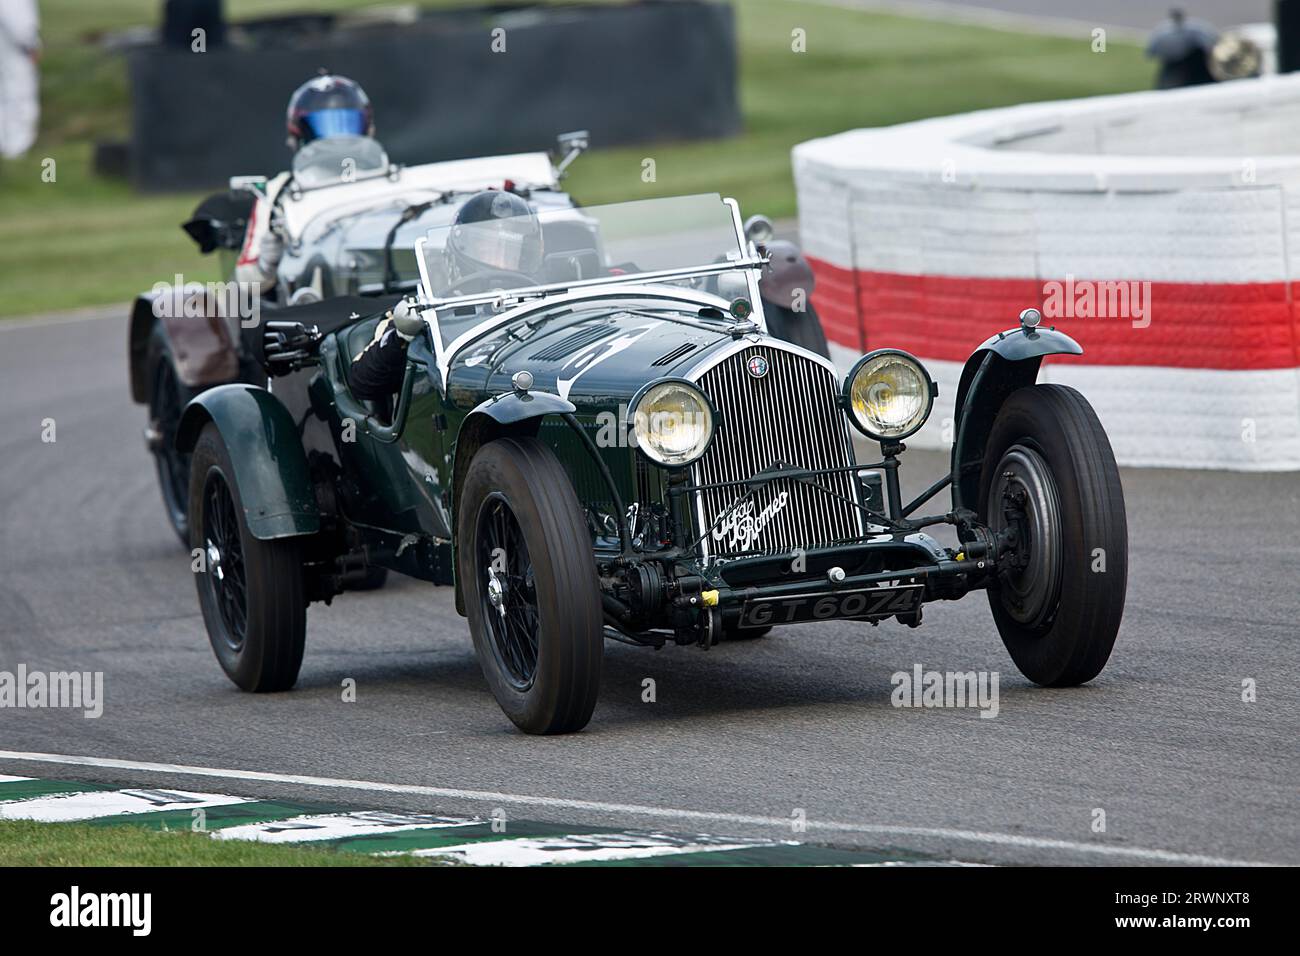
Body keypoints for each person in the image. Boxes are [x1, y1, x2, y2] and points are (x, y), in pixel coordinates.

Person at [350, 191, 544, 399]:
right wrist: (403, 334)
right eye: (488, 248)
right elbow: (362, 383)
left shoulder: (543, 304)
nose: (500, 261)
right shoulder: (428, 308)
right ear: (461, 246)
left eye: (511, 252)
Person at [236, 73, 375, 295]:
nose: (336, 138)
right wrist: (266, 263)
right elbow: (245, 280)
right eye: (324, 125)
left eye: (345, 122)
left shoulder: (388, 179)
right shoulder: (279, 191)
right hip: (314, 309)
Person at [0, 0, 40, 159]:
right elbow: (19, 22)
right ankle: (17, 146)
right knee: (19, 96)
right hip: (14, 51)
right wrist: (31, 45)